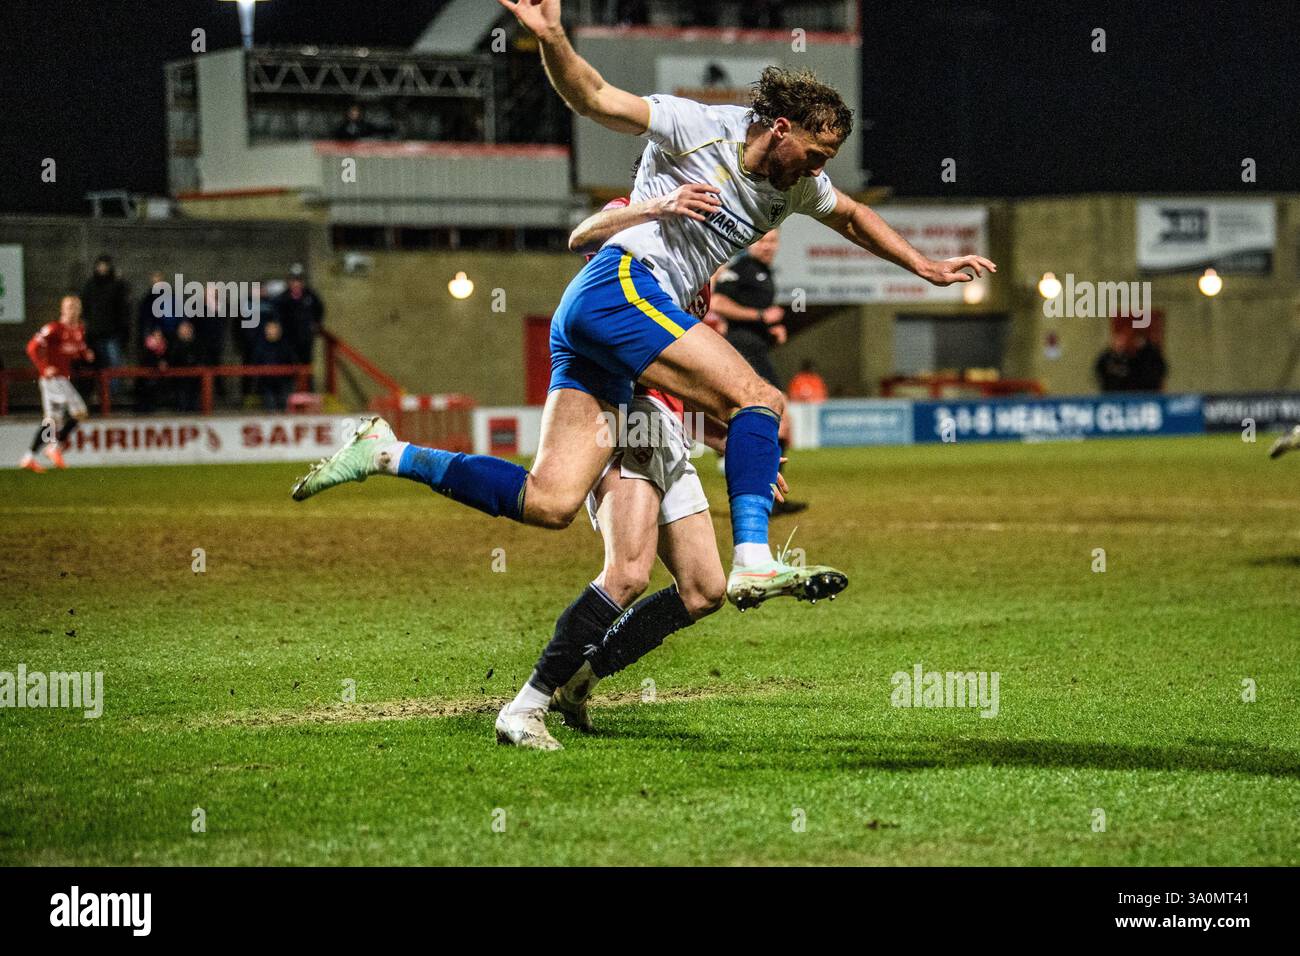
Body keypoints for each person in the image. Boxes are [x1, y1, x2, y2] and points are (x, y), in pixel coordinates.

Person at [294, 0, 994, 615]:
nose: (817, 173)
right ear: (780, 128)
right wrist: (551, 40)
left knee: (550, 502)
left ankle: (387, 453)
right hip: (626, 284)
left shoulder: (798, 186)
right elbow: (596, 97)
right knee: (761, 398)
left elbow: (852, 217)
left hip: (617, 330)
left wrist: (925, 266)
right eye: (812, 155)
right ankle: (753, 557)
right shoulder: (696, 126)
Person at [498, 189, 788, 749]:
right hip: (624, 416)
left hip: (666, 426)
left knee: (705, 589)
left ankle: (579, 681)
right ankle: (525, 705)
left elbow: (694, 382)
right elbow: (590, 263)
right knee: (627, 574)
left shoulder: (699, 259)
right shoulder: (636, 219)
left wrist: (741, 449)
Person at [711, 229, 807, 514]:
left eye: (772, 241)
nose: (767, 246)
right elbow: (717, 303)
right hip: (743, 351)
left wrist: (770, 329)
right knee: (778, 417)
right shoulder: (741, 269)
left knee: (777, 419)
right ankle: (764, 495)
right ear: (750, 243)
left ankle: (767, 495)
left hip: (756, 349)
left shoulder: (763, 272)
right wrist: (761, 317)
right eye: (762, 240)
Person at [20, 295, 94, 473]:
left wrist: (86, 355)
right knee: (80, 412)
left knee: (52, 422)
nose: (73, 309)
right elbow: (31, 347)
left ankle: (28, 457)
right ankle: (54, 448)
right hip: (53, 380)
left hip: (61, 379)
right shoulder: (54, 328)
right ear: (62, 309)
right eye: (69, 306)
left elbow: (78, 349)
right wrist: (44, 368)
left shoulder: (78, 330)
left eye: (76, 306)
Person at [80, 255, 130, 401]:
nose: (103, 268)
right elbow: (85, 308)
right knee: (97, 366)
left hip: (112, 333)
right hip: (94, 333)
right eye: (100, 265)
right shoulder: (90, 285)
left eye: (105, 266)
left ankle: (112, 395)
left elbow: (123, 310)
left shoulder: (117, 285)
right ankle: (99, 394)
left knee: (114, 364)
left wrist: (123, 331)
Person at [274, 266, 324, 388]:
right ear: (289, 282)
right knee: (289, 364)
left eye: (299, 280)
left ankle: (308, 390)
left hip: (306, 338)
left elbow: (320, 309)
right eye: (293, 280)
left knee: (306, 364)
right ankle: (289, 392)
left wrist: (316, 323)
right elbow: (277, 314)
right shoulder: (283, 298)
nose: (296, 283)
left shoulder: (310, 296)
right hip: (288, 339)